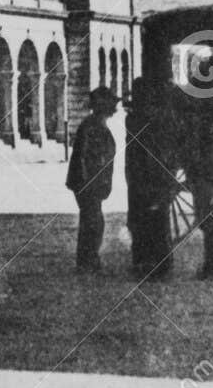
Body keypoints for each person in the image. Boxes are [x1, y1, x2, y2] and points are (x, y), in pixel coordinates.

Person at [124, 78, 176, 280]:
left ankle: (147, 262)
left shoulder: (136, 120)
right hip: (146, 176)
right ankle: (156, 263)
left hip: (145, 176)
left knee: (146, 219)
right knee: (152, 219)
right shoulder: (152, 120)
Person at [179, 95, 213, 279]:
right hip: (207, 173)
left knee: (209, 219)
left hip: (205, 173)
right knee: (211, 218)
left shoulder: (206, 120)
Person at [66, 86, 117, 273]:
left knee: (93, 221)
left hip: (92, 182)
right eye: (111, 103)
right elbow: (82, 156)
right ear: (102, 105)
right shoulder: (91, 125)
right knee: (93, 222)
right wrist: (87, 182)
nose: (114, 107)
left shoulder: (96, 123)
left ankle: (87, 260)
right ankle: (88, 262)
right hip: (87, 182)